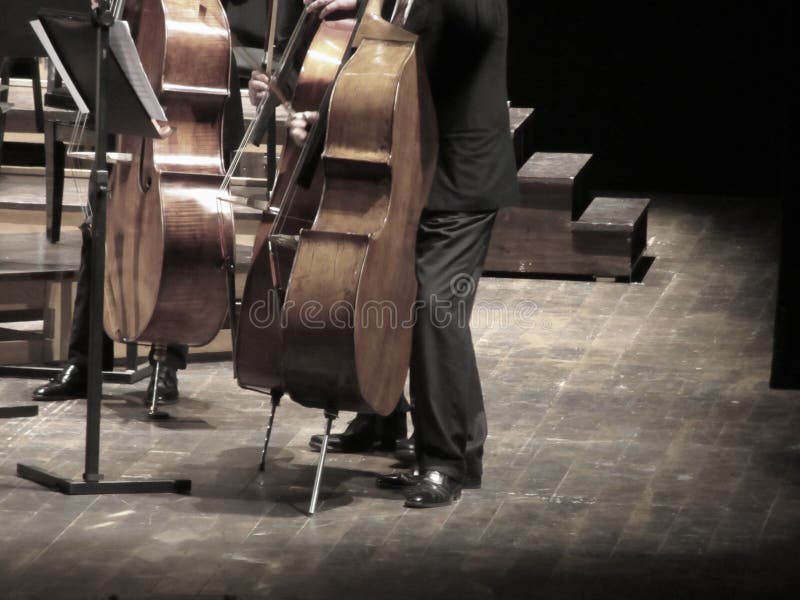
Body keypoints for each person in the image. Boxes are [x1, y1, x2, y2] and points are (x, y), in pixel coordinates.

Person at [277, 0, 519, 508]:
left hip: (459, 176)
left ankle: (445, 461)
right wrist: (320, 126)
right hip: (405, 173)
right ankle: (389, 419)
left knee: (436, 308)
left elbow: (476, 27)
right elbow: (380, 83)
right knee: (383, 294)